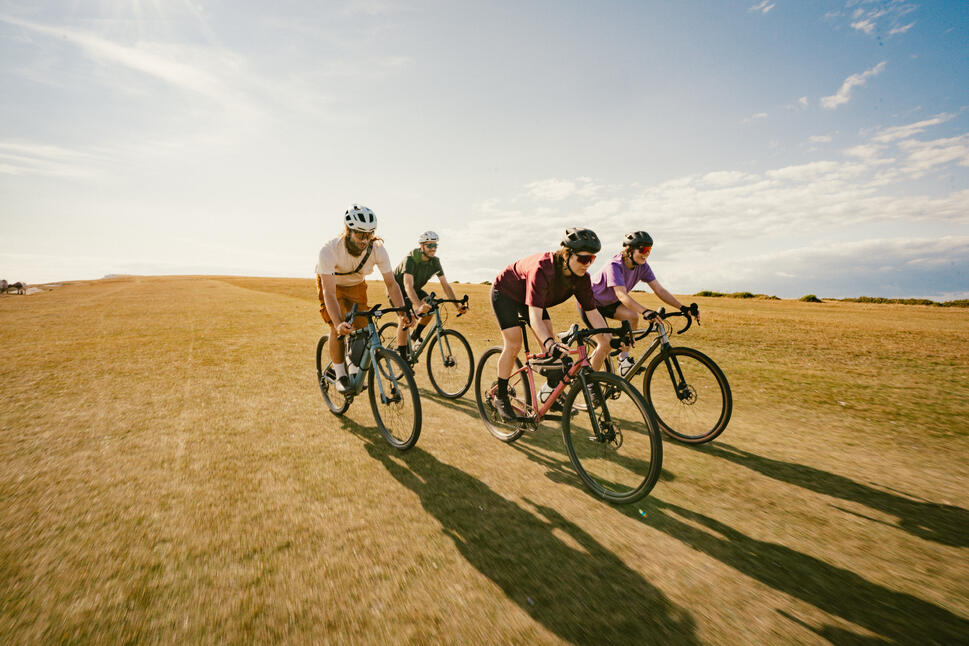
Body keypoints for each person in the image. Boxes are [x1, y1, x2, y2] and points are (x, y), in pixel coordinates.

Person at [489, 227, 611, 420]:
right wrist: (549, 344)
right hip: (507, 292)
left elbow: (592, 311)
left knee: (550, 348)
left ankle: (551, 393)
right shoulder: (542, 268)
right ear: (566, 253)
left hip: (533, 300)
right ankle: (501, 395)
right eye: (583, 259)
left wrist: (609, 337)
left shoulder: (582, 278)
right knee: (514, 344)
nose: (587, 264)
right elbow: (535, 316)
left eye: (592, 259)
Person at [316, 205, 412, 393]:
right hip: (331, 284)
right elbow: (329, 293)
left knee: (360, 327)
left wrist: (402, 312)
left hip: (356, 285)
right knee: (339, 327)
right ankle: (341, 375)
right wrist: (337, 323)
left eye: (370, 235)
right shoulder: (329, 250)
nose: (365, 240)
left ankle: (354, 370)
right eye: (361, 235)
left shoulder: (377, 250)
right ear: (348, 231)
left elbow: (392, 284)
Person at [584, 230, 699, 375]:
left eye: (649, 250)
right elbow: (621, 295)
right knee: (605, 344)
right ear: (629, 250)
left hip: (610, 303)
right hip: (591, 304)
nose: (646, 254)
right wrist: (645, 311)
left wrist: (683, 307)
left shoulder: (642, 266)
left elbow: (659, 290)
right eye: (643, 250)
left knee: (632, 317)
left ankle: (623, 360)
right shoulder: (615, 265)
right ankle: (589, 382)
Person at [392, 231, 469, 359]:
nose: (433, 249)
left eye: (435, 246)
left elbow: (445, 285)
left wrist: (457, 306)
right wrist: (418, 306)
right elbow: (407, 286)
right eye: (429, 246)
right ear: (421, 246)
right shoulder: (411, 259)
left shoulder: (435, 262)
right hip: (397, 290)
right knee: (405, 317)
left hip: (415, 289)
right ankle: (402, 355)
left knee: (431, 307)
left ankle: (416, 335)